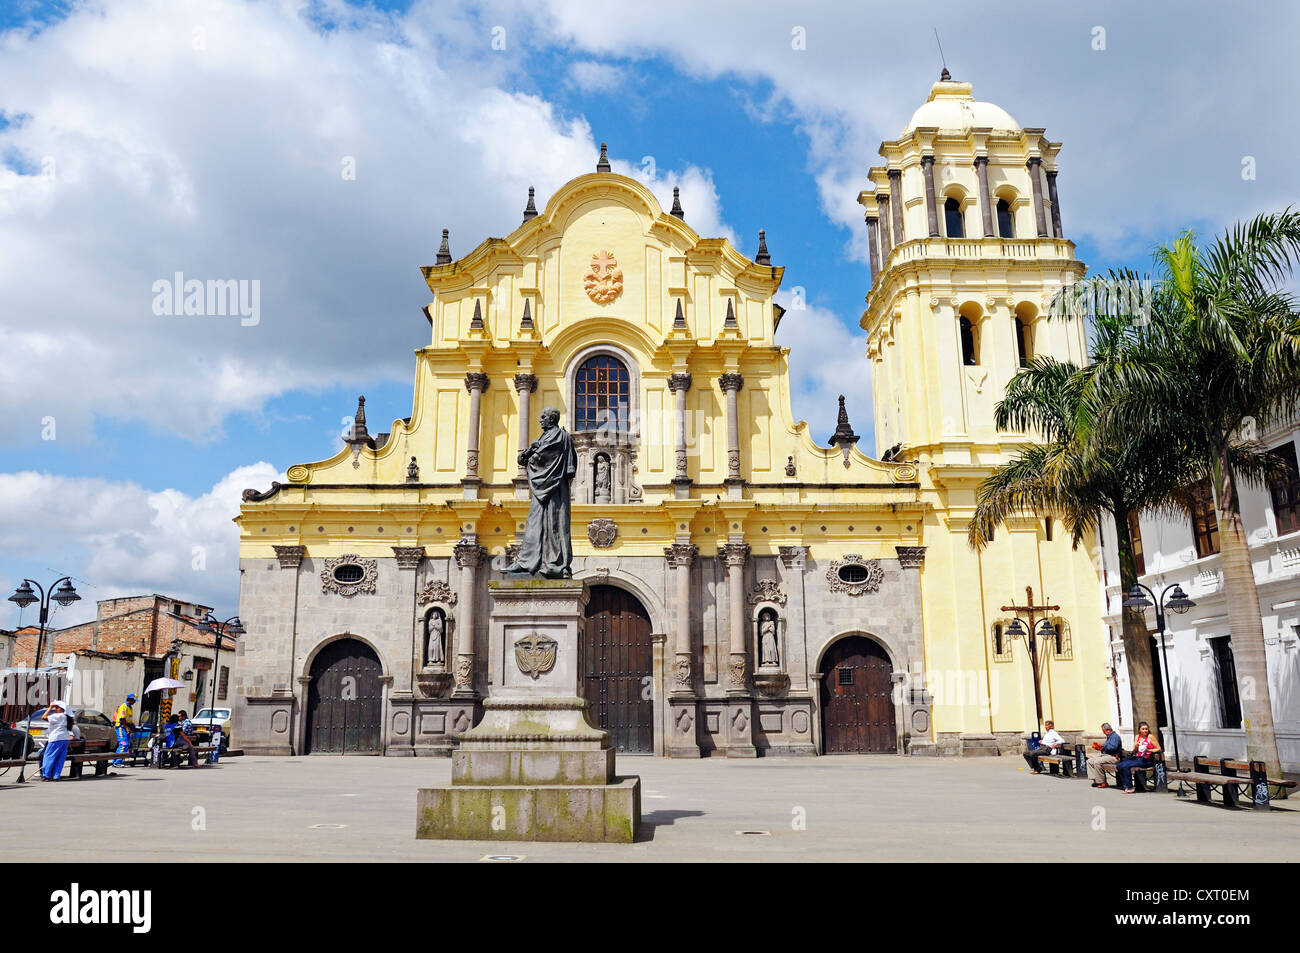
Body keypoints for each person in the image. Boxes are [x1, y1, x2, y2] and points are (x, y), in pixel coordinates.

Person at [502, 407, 578, 578]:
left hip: (555, 488)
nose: (540, 420)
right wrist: (530, 450)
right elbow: (523, 459)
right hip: (543, 487)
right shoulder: (544, 438)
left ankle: (556, 565)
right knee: (535, 523)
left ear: (552, 419)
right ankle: (528, 562)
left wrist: (532, 454)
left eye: (543, 417)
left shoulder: (559, 437)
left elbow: (538, 460)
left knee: (556, 525)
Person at [1115, 721, 1162, 793]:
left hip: (1147, 760)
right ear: (1139, 730)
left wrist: (1148, 750)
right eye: (1143, 729)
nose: (1145, 730)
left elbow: (1159, 748)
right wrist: (1136, 746)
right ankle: (1126, 786)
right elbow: (1135, 751)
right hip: (1138, 758)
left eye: (1146, 729)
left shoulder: (1150, 737)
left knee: (1125, 766)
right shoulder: (1137, 737)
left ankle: (1129, 787)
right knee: (1119, 766)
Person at [39, 700, 80, 781]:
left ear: (62, 709)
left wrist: (50, 708)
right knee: (60, 758)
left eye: (57, 707)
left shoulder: (58, 716)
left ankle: (46, 775)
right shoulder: (67, 717)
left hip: (56, 738)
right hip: (65, 739)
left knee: (49, 756)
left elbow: (43, 717)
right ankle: (56, 776)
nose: (55, 709)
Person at [1087, 722, 1124, 787]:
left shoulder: (1115, 737)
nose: (1103, 733)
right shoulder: (1109, 737)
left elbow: (1113, 748)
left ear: (1108, 730)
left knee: (1097, 762)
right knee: (1089, 761)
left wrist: (1102, 746)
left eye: (1104, 731)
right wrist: (1099, 747)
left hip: (1114, 757)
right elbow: (1107, 748)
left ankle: (1102, 782)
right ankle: (1095, 779)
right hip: (1106, 756)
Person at [112, 692, 137, 766]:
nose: (134, 702)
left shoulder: (130, 707)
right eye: (134, 700)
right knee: (123, 744)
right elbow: (122, 719)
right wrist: (126, 728)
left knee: (125, 745)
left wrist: (132, 725)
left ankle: (117, 761)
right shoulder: (124, 706)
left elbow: (128, 719)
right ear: (130, 699)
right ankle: (117, 762)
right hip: (121, 727)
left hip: (126, 726)